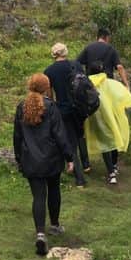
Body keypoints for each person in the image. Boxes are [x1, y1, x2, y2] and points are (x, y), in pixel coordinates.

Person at [13, 73, 74, 256]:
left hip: (30, 159)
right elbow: (59, 134)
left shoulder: (21, 107)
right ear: (46, 88)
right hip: (51, 158)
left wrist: (19, 158)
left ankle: (40, 233)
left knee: (38, 196)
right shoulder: (51, 107)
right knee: (54, 190)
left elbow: (17, 136)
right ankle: (54, 225)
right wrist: (69, 157)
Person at [83, 62, 131, 185]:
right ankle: (114, 166)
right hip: (112, 117)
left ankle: (111, 172)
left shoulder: (87, 84)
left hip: (96, 119)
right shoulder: (110, 83)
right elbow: (122, 95)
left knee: (104, 144)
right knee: (113, 140)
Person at [44, 43, 88, 187]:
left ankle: (79, 179)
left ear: (53, 54)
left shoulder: (49, 71)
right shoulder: (75, 65)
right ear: (65, 52)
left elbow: (49, 95)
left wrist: (54, 104)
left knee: (69, 143)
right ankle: (86, 164)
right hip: (79, 109)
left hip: (63, 110)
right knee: (79, 137)